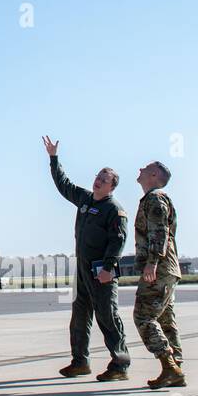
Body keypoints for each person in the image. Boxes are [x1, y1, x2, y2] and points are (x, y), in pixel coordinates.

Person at [43, 136, 131, 381]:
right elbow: (64, 185)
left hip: (101, 272)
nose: (98, 181)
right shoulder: (85, 199)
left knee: (107, 317)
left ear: (111, 187)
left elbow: (118, 240)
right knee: (79, 318)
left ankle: (120, 364)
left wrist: (109, 267)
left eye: (104, 180)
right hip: (82, 271)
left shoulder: (114, 210)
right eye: (97, 177)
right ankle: (80, 361)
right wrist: (54, 159)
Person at [133, 160, 186, 389]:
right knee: (165, 320)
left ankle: (169, 366)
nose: (140, 170)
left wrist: (151, 263)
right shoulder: (155, 198)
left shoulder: (155, 198)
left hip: (160, 268)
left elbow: (159, 233)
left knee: (143, 317)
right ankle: (176, 368)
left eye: (144, 168)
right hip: (168, 268)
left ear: (154, 174)